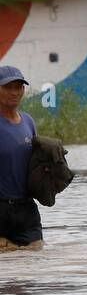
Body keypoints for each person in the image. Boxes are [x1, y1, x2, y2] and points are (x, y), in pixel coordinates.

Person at [0, 66, 42, 250]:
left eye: (19, 87)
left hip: (27, 210)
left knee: (35, 259)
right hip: (1, 210)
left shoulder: (29, 122)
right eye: (8, 87)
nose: (14, 92)